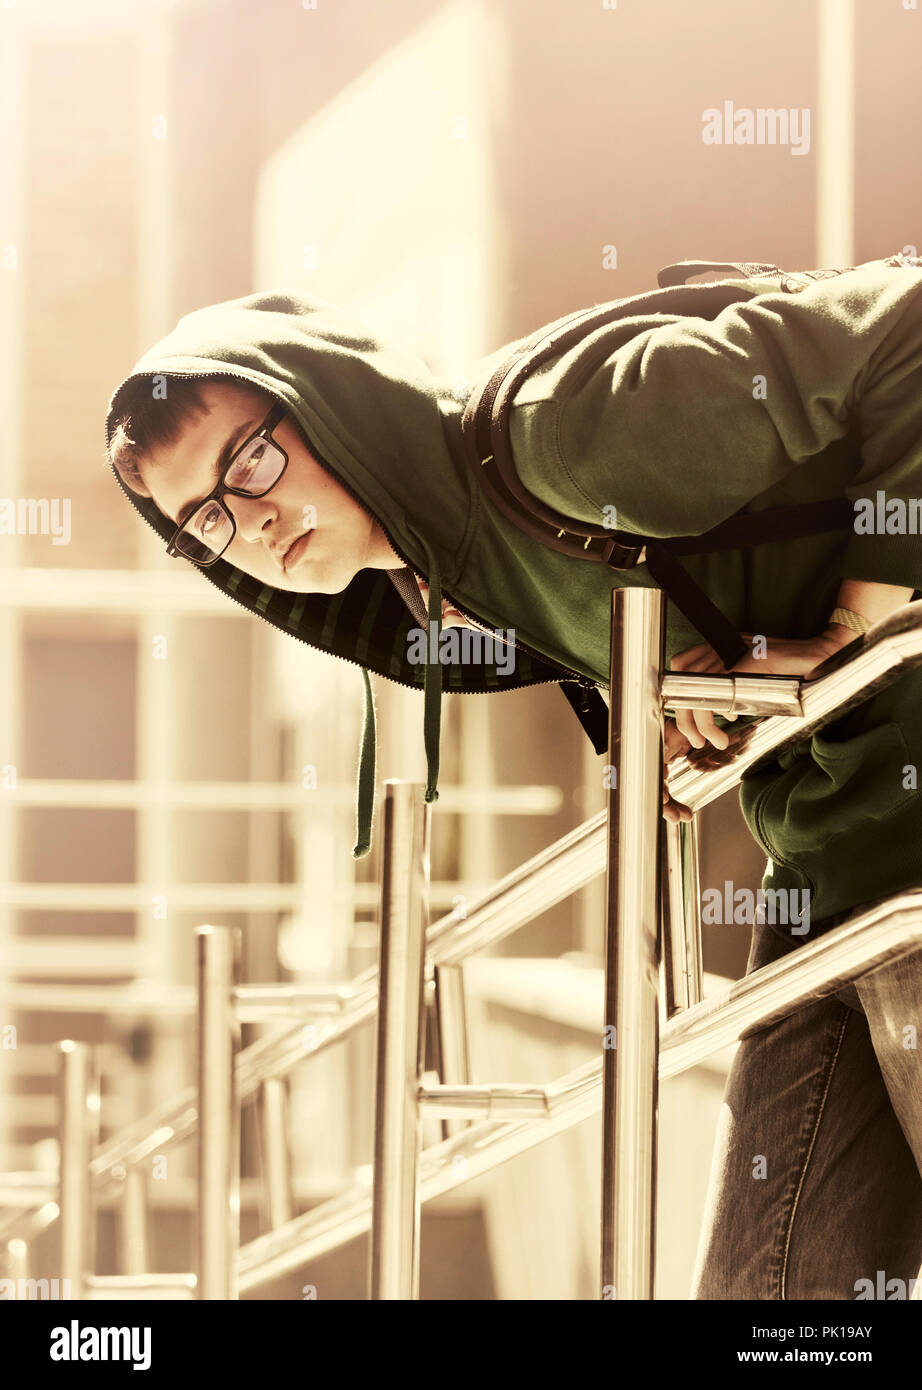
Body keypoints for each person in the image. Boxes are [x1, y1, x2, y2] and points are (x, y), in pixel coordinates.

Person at [105, 258, 922, 1297]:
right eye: (206, 522)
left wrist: (855, 625)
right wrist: (684, 702)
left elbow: (904, 326)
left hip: (904, 819)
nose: (250, 526)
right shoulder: (464, 577)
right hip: (827, 850)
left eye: (253, 460)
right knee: (775, 1304)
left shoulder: (561, 433)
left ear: (328, 401)